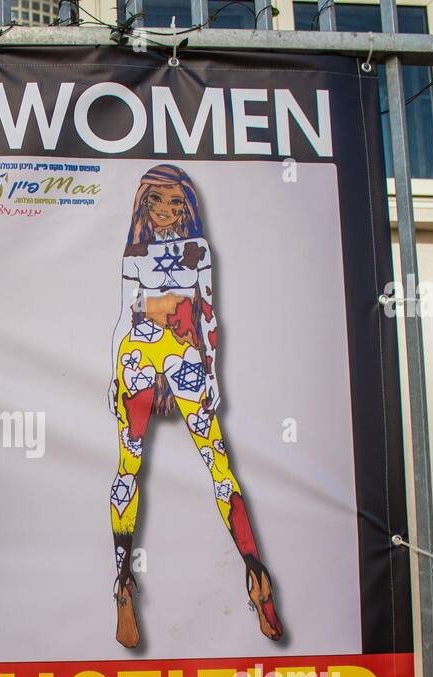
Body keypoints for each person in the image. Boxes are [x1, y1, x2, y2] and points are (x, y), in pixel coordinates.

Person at [108, 164, 283, 649]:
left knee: (139, 467)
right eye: (156, 203)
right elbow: (197, 315)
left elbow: (182, 315)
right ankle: (253, 576)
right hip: (159, 354)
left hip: (153, 354)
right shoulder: (164, 252)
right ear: (144, 206)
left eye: (174, 203)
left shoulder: (177, 251)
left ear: (187, 206)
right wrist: (208, 370)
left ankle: (126, 582)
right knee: (193, 466)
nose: (164, 212)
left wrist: (211, 371)